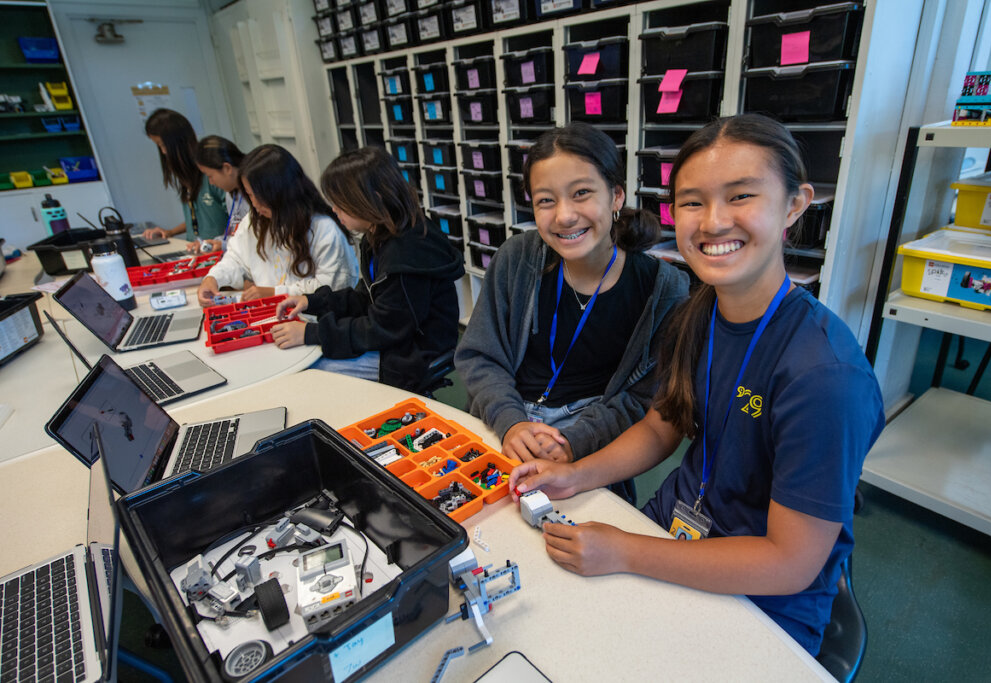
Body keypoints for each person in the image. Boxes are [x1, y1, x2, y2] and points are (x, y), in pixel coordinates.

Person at [508, 114, 886, 656]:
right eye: (692, 202)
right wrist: (575, 474)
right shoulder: (699, 311)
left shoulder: (825, 377)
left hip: (763, 597)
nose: (713, 222)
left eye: (741, 196)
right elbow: (661, 425)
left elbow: (789, 563)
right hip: (674, 529)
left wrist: (626, 551)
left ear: (795, 204)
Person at [455, 122, 690, 502]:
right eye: (546, 200)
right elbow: (480, 356)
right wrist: (512, 422)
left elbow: (640, 400)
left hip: (589, 444)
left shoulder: (662, 290)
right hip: (501, 419)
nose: (564, 216)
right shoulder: (516, 258)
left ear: (616, 196)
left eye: (581, 193)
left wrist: (571, 442)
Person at [270, 146, 464, 391]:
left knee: (311, 371)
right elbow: (367, 298)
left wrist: (312, 333)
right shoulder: (378, 235)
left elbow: (384, 328)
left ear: (373, 199)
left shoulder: (404, 253)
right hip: (396, 342)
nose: (334, 210)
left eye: (341, 203)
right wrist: (313, 302)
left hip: (412, 355)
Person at [197, 144, 358, 305]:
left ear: (279, 192)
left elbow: (333, 289)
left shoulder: (323, 229)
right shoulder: (255, 220)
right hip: (271, 314)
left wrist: (275, 293)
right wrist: (213, 278)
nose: (254, 204)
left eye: (258, 196)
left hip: (314, 319)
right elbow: (236, 259)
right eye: (250, 195)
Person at [141, 109, 228, 252]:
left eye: (163, 145)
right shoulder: (187, 176)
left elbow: (236, 221)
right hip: (198, 250)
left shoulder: (212, 175)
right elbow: (198, 220)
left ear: (177, 143)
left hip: (218, 251)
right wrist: (170, 232)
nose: (163, 152)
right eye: (159, 146)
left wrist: (219, 243)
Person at [194, 135, 250, 252]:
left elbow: (255, 239)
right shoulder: (231, 195)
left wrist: (224, 245)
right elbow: (236, 235)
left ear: (227, 168)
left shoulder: (255, 192)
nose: (211, 182)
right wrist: (217, 242)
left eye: (210, 176)